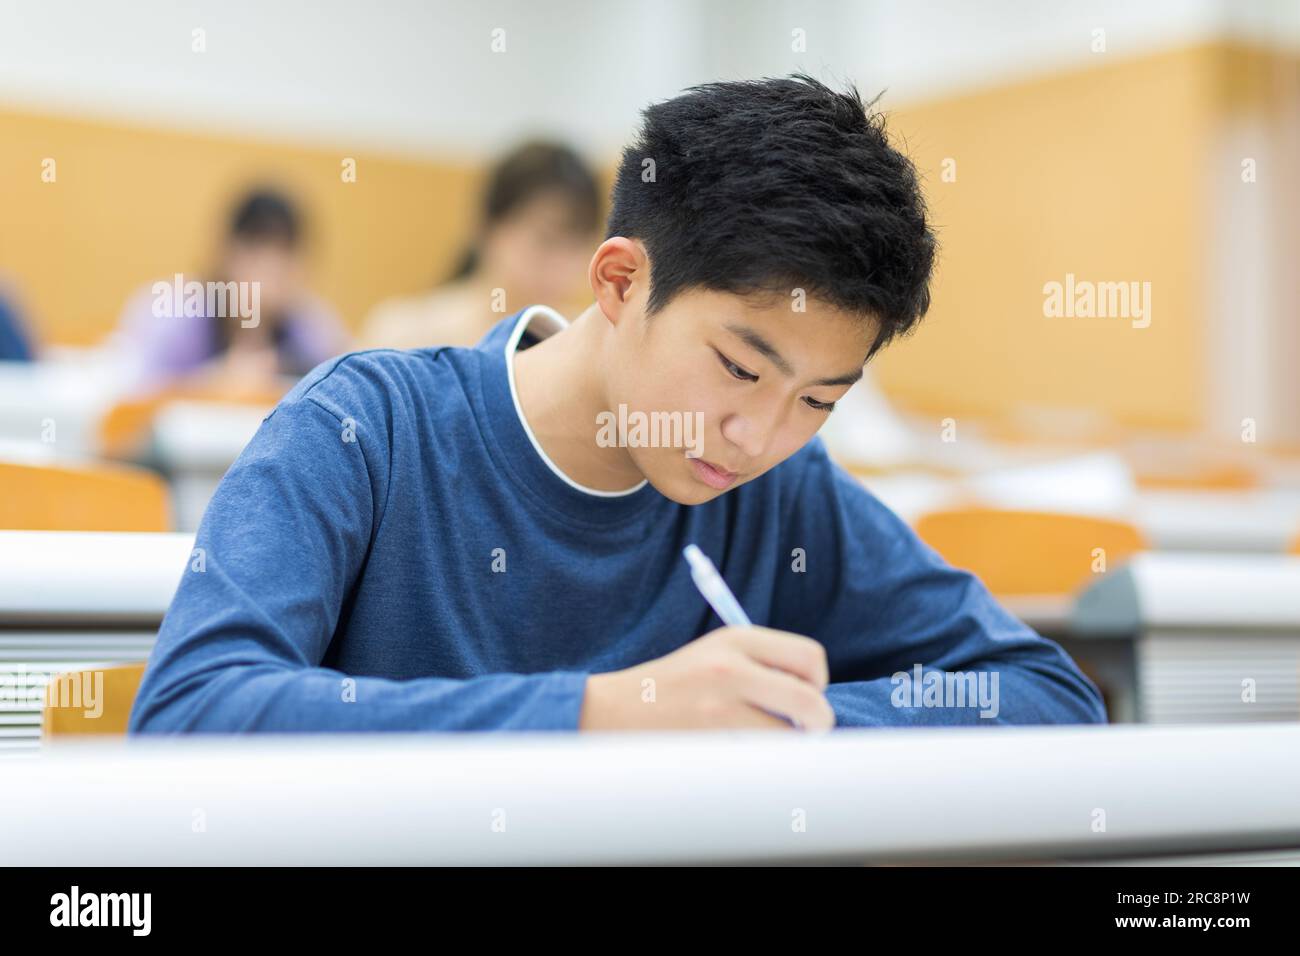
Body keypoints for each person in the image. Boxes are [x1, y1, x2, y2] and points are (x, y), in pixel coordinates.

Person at [129, 75, 1106, 734]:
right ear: (618, 280)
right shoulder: (369, 427)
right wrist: (609, 712)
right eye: (736, 367)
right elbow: (190, 710)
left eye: (817, 398)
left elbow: (1047, 695)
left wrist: (773, 715)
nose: (760, 436)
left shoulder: (780, 491)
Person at [360, 140, 600, 349]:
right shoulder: (405, 332)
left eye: (577, 246)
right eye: (546, 241)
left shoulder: (584, 344)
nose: (561, 267)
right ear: (487, 228)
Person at [109, 188, 348, 397]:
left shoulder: (310, 326)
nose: (271, 269)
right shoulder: (175, 314)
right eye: (256, 251)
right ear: (226, 252)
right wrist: (212, 384)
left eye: (285, 254)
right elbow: (130, 401)